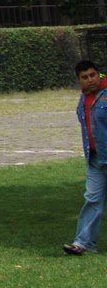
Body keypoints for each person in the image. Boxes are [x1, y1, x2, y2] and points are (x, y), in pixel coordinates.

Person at [65, 60, 107, 254]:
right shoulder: (83, 99)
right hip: (95, 159)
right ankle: (84, 243)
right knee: (92, 199)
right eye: (85, 77)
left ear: (99, 74)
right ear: (78, 80)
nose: (90, 80)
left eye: (93, 75)